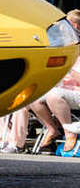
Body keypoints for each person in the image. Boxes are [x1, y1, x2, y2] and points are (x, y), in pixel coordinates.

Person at [29, 10, 80, 154]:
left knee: (54, 95)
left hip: (77, 94)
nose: (60, 28)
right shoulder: (62, 45)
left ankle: (70, 132)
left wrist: (67, 67)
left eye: (65, 25)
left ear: (74, 27)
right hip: (64, 90)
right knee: (33, 96)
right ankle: (52, 129)